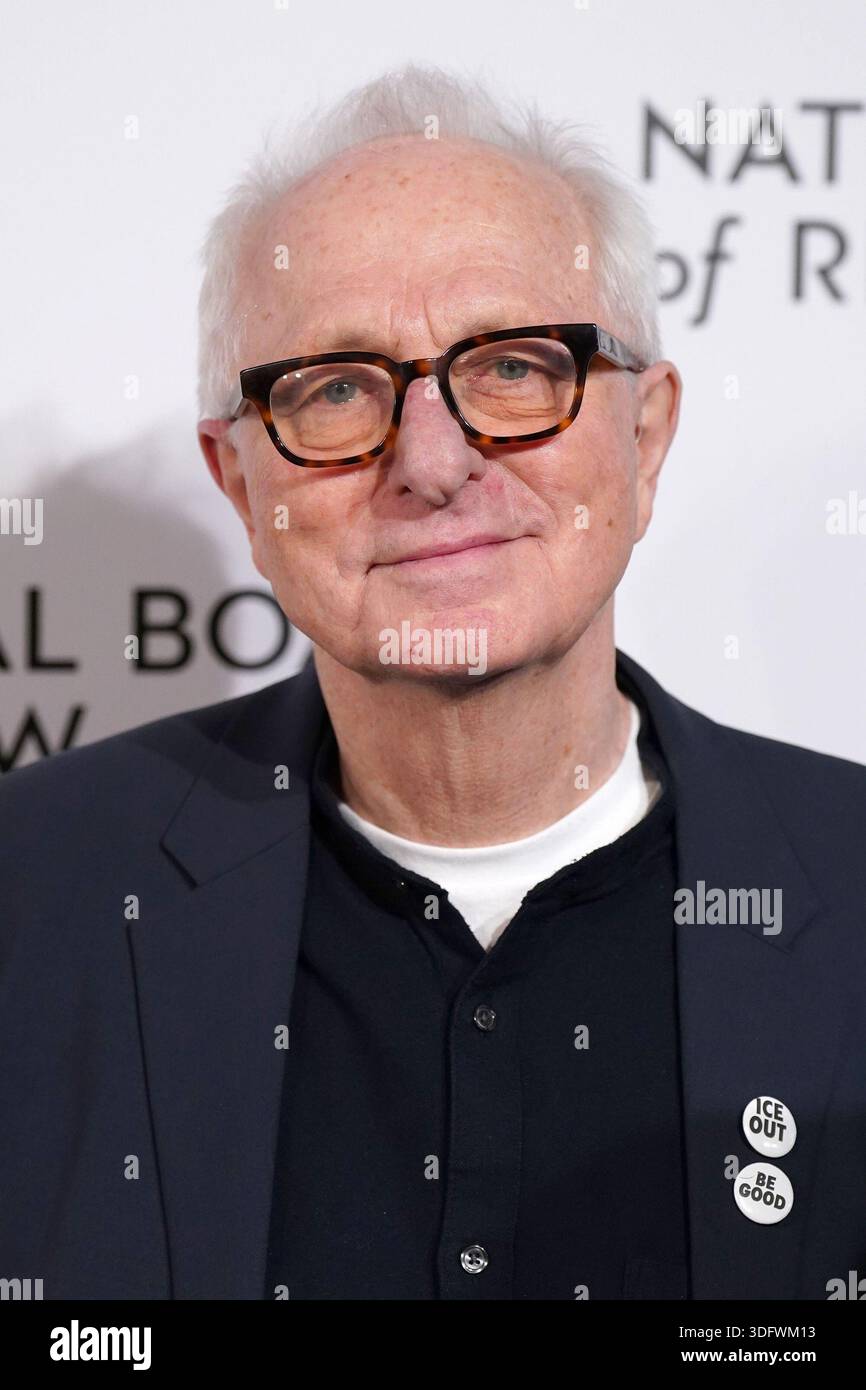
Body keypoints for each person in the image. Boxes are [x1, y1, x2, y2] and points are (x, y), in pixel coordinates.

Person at [2, 65, 865, 1302]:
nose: (432, 460)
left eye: (514, 367)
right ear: (241, 484)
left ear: (646, 436)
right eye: (337, 389)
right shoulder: (31, 895)